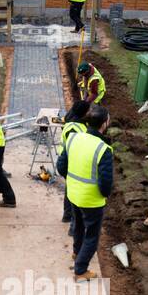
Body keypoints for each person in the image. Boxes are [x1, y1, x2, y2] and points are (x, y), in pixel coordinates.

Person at [56, 104, 113, 283]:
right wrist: (104, 195)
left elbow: (61, 166)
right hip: (92, 200)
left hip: (73, 194)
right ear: (104, 124)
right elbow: (105, 182)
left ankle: (76, 252)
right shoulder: (103, 149)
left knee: (79, 225)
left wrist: (72, 181)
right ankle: (80, 269)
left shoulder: (74, 138)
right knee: (92, 235)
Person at [58, 99, 91, 226]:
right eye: (89, 110)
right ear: (84, 113)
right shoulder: (74, 128)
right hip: (69, 162)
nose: (91, 112)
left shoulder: (78, 123)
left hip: (69, 160)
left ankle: (68, 216)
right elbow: (75, 148)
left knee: (70, 187)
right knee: (73, 190)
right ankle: (72, 219)